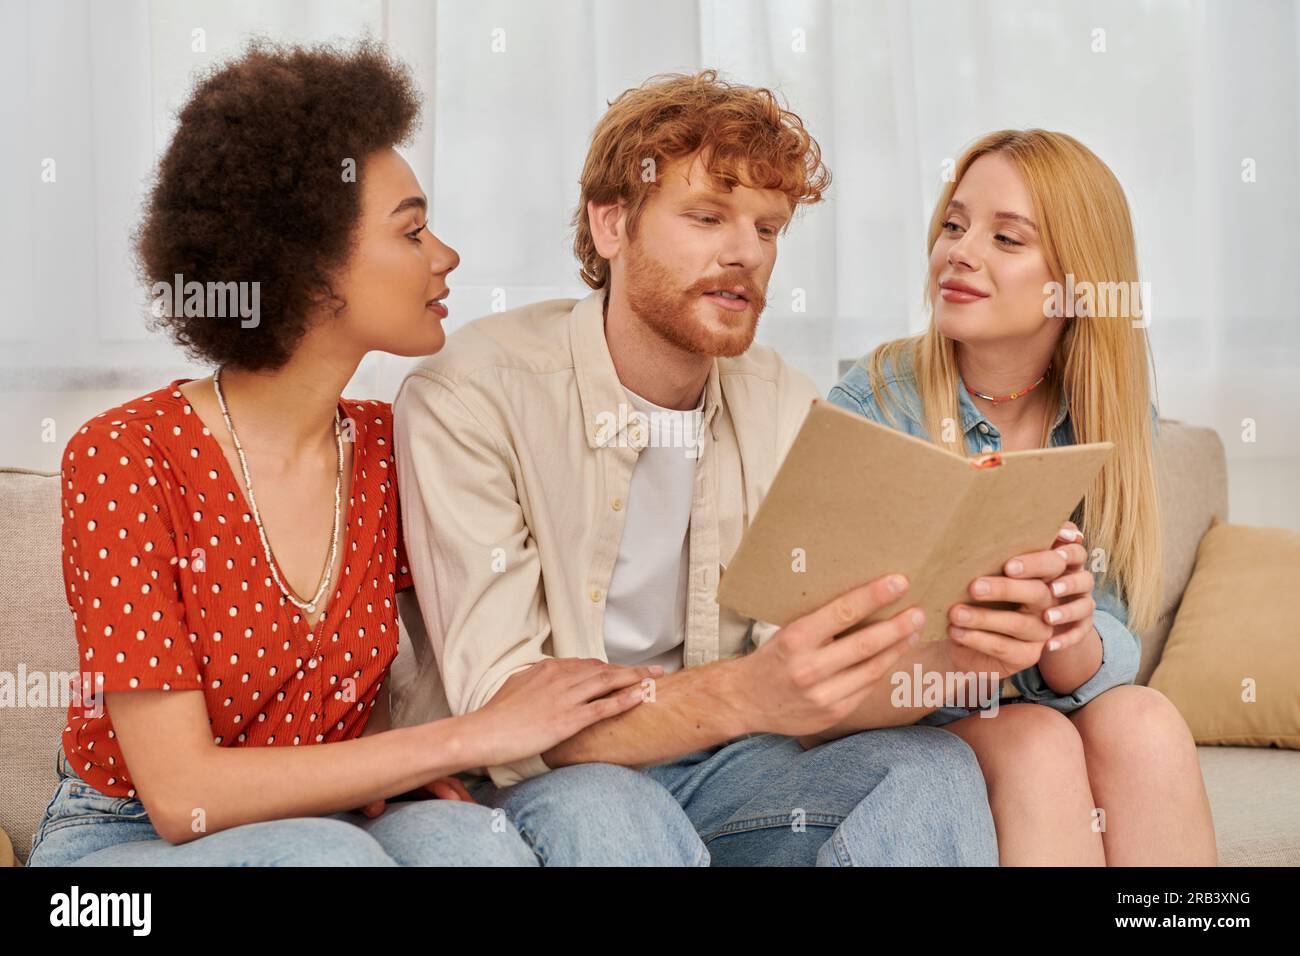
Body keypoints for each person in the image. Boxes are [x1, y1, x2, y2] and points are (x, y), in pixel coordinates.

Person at [27, 40, 659, 867]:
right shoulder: (125, 458)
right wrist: (464, 739)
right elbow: (182, 796)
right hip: (129, 836)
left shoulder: (388, 445)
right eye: (414, 231)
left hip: (332, 815)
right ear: (309, 269)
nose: (446, 257)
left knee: (481, 843)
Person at [392, 70, 1003, 866]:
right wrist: (748, 693)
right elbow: (506, 707)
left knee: (929, 767)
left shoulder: (781, 399)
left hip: (720, 763)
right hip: (530, 779)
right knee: (609, 808)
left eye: (769, 229)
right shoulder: (473, 393)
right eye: (708, 216)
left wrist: (962, 655)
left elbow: (809, 673)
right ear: (610, 223)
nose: (746, 253)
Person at [827, 129, 1216, 865]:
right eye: (953, 224)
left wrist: (1069, 630)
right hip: (905, 717)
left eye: (1007, 238)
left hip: (1038, 703)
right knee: (1035, 741)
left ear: (1074, 283)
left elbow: (1107, 655)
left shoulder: (1113, 423)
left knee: (1144, 722)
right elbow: (821, 659)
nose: (961, 251)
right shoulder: (873, 403)